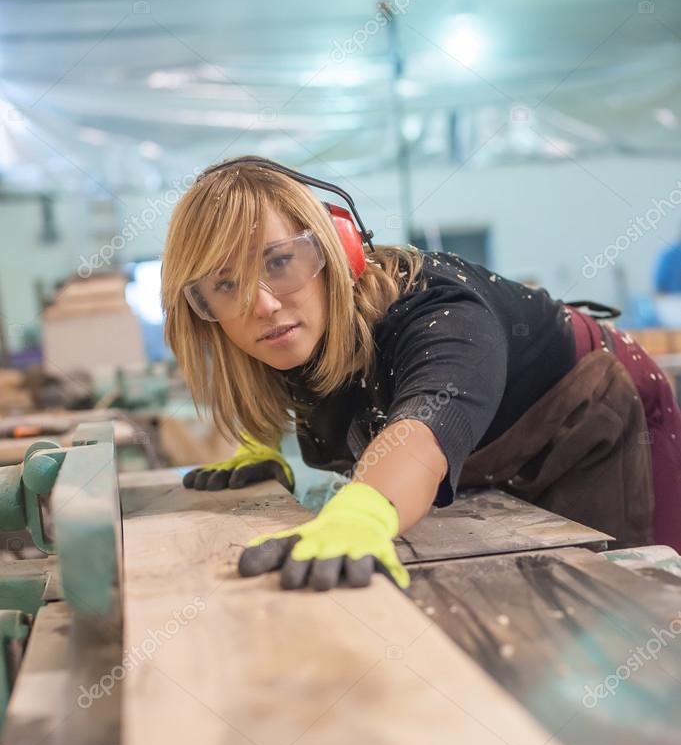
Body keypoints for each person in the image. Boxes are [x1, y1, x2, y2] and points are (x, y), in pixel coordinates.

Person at [161, 156, 681, 592]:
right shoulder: (293, 329)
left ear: (334, 252)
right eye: (227, 284)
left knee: (625, 599)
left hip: (601, 411)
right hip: (498, 448)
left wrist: (362, 513)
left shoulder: (438, 313)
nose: (263, 305)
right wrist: (261, 445)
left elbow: (424, 431)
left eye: (278, 262)